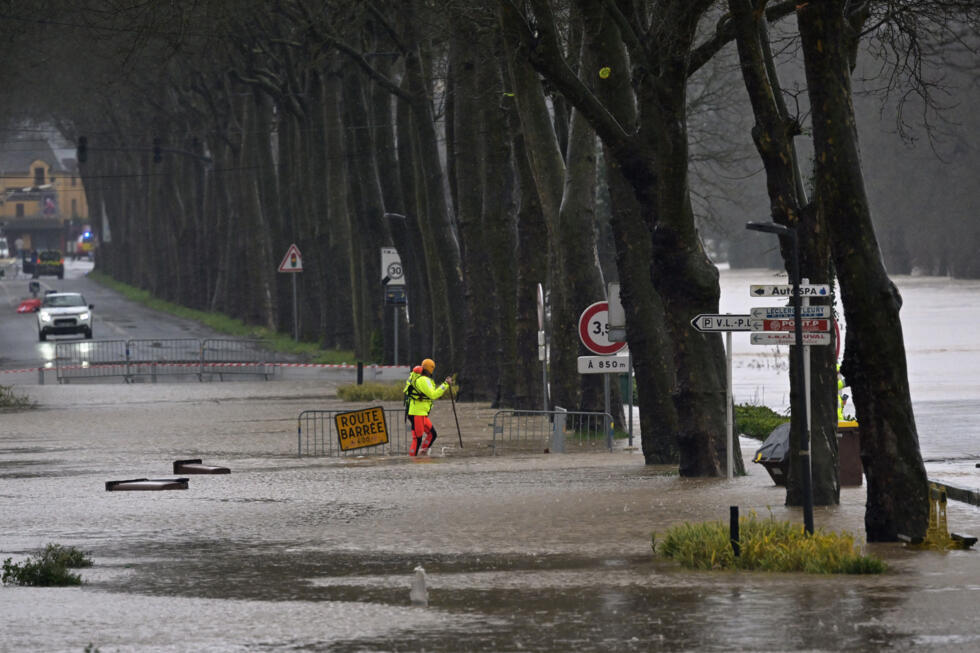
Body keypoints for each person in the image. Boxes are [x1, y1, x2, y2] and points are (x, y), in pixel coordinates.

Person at [405, 358, 452, 456]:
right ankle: (412, 461)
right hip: (417, 413)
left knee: (432, 434)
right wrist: (445, 385)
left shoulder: (420, 379)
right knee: (417, 439)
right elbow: (433, 395)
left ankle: (422, 453)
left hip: (420, 413)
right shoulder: (423, 380)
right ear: (431, 369)